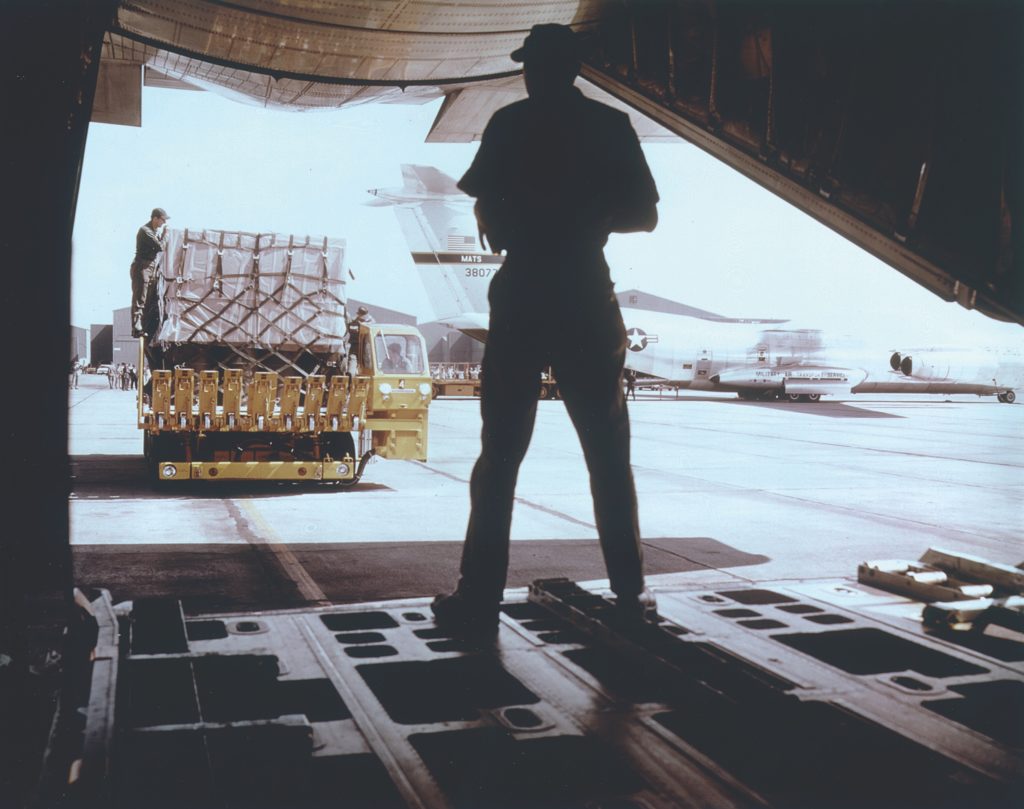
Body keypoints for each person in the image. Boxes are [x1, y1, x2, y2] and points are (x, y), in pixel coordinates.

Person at [431, 23, 660, 637]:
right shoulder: (608, 127)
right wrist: (589, 215)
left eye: (533, 65)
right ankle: (631, 596)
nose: (530, 76)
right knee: (609, 455)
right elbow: (646, 213)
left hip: (526, 291)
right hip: (585, 291)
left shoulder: (511, 124)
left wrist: (507, 220)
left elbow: (480, 199)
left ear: (542, 69)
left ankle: (478, 595)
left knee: (499, 456)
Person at [130, 207, 170, 338]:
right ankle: (136, 326)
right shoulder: (145, 231)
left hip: (151, 266)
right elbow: (160, 247)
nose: (163, 223)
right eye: (162, 220)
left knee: (148, 298)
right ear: (155, 218)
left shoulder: (154, 232)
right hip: (143, 266)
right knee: (140, 297)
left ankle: (142, 326)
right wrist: (166, 235)